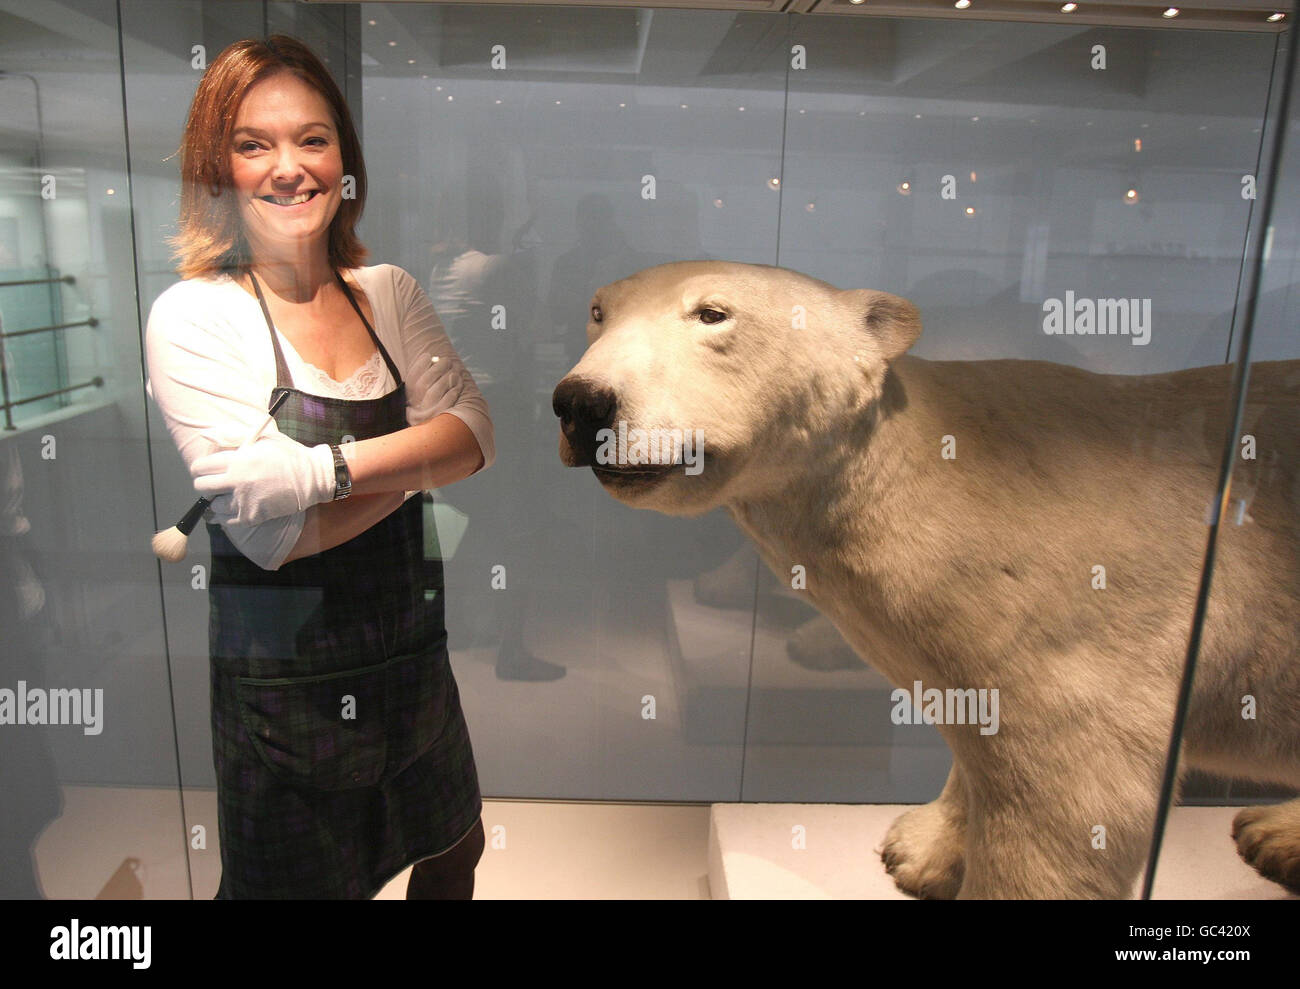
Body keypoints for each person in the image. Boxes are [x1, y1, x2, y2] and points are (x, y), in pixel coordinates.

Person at [144, 35, 491, 899]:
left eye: (313, 138)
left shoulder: (391, 291)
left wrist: (319, 472)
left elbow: (477, 433)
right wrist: (419, 459)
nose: (289, 166)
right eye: (252, 143)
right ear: (215, 168)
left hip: (412, 664)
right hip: (282, 695)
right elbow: (265, 535)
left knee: (455, 849)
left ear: (345, 160)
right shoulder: (194, 315)